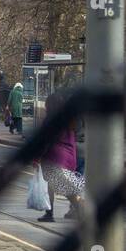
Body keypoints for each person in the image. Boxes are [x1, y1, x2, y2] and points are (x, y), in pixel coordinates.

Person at [37, 89, 85, 223]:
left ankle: (49, 213)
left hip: (54, 156)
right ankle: (79, 208)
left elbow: (45, 139)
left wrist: (38, 156)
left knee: (51, 187)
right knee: (64, 185)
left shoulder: (51, 119)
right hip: (70, 156)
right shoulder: (69, 118)